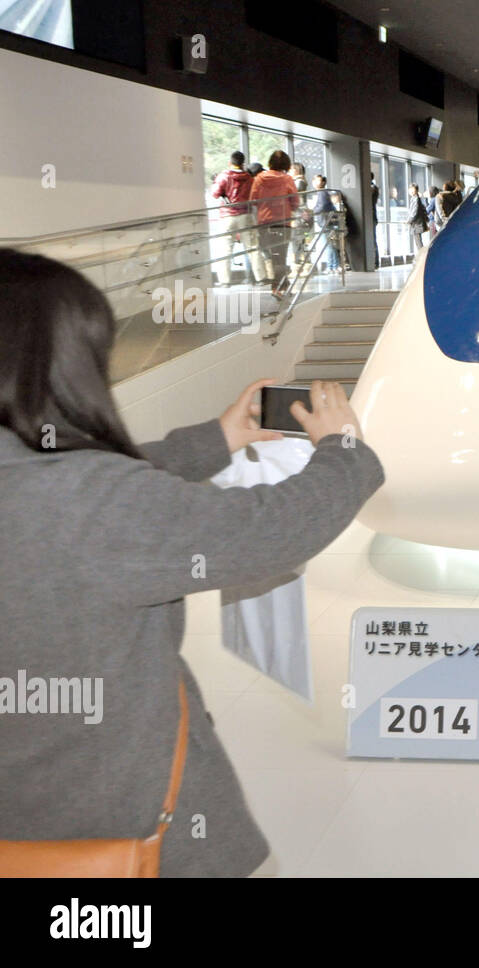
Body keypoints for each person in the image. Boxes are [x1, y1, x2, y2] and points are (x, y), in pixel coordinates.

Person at [0, 249, 385, 876]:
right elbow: (268, 531)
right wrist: (343, 452)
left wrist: (214, 441)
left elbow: (69, 489)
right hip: (129, 829)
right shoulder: (92, 501)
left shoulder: (66, 489)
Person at [248, 150, 300, 297]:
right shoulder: (287, 179)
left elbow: (253, 199)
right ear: (286, 164)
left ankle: (282, 284)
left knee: (272, 255)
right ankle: (278, 286)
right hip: (283, 222)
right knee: (281, 255)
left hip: (264, 222)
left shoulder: (259, 178)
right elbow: (295, 202)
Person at [209, 150, 257, 286]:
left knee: (225, 248)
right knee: (252, 246)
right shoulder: (249, 177)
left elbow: (215, 193)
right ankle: (261, 277)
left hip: (227, 215)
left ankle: (225, 280)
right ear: (243, 163)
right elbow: (254, 195)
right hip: (245, 214)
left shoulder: (224, 176)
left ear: (230, 162)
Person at [310, 174, 338, 272]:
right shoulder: (323, 192)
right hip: (327, 221)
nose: (315, 182)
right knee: (330, 245)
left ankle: (332, 267)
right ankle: (334, 266)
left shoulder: (321, 192)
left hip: (325, 222)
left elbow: (322, 206)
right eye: (314, 180)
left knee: (329, 245)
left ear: (323, 182)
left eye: (318, 180)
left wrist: (312, 211)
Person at [407, 183, 428, 252]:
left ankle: (422, 257)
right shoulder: (414, 198)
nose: (411, 191)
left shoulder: (416, 199)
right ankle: (422, 256)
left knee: (418, 242)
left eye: (412, 189)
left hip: (417, 224)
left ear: (416, 190)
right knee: (418, 242)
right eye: (410, 189)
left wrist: (409, 220)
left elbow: (414, 212)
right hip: (416, 224)